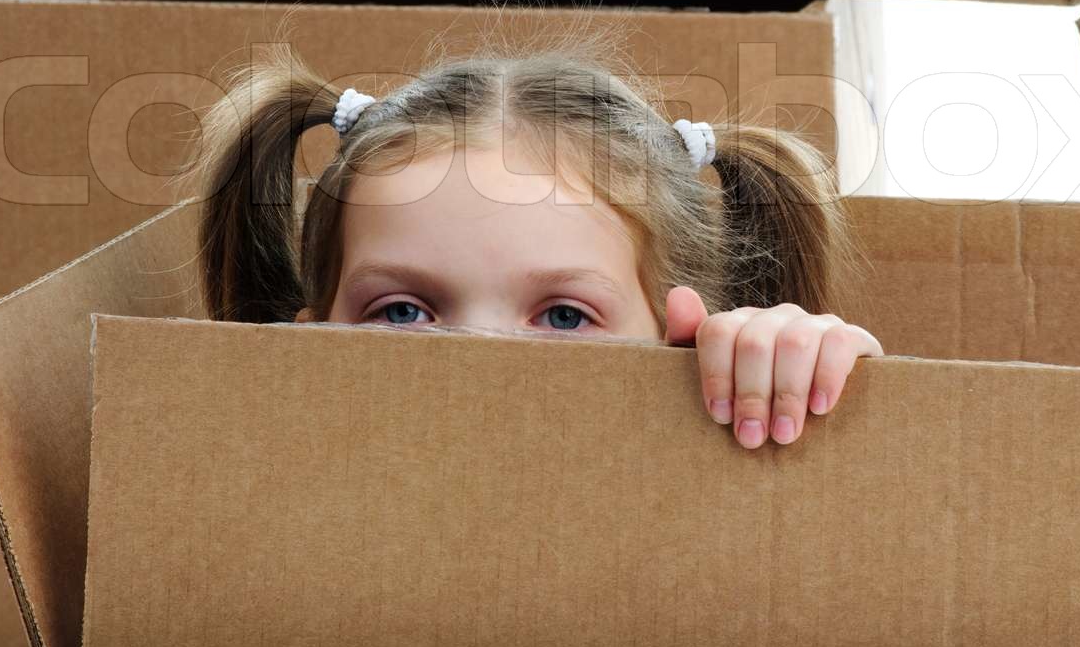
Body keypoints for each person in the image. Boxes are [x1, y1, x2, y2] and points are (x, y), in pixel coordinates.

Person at [189, 42, 882, 449]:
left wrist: (793, 369)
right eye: (402, 312)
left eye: (562, 315)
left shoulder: (711, 395)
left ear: (680, 340)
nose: (483, 365)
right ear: (299, 343)